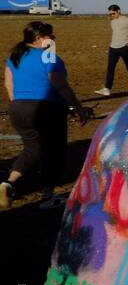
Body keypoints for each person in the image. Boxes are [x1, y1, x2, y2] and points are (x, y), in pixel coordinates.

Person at [2, 21, 92, 210]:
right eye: (50, 36)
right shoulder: (49, 57)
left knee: (32, 149)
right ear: (39, 38)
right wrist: (77, 107)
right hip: (46, 109)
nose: (53, 39)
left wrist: (18, 105)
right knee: (55, 151)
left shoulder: (14, 57)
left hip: (18, 107)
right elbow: (60, 85)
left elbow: (9, 85)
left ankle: (8, 183)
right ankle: (48, 197)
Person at [95, 3, 128, 96]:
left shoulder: (126, 20)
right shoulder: (112, 22)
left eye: (113, 13)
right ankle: (107, 88)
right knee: (110, 68)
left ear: (118, 11)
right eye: (110, 14)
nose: (112, 16)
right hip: (113, 48)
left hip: (124, 47)